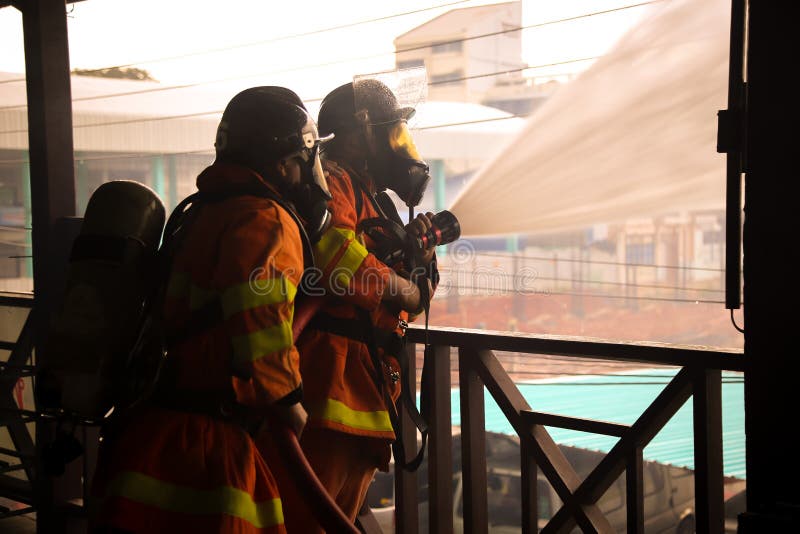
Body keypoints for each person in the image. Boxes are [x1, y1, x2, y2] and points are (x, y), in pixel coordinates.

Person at [91, 86, 332, 533]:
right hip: (208, 452)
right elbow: (260, 325)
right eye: (305, 161)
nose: (310, 176)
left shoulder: (200, 212)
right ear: (283, 163)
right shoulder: (266, 220)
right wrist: (291, 404)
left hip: (146, 437)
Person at [265, 78, 437, 532]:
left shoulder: (375, 200)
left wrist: (421, 259)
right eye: (392, 131)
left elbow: (414, 299)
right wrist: (405, 288)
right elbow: (335, 257)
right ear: (362, 132)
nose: (400, 144)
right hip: (330, 392)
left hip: (366, 393)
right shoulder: (333, 181)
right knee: (310, 522)